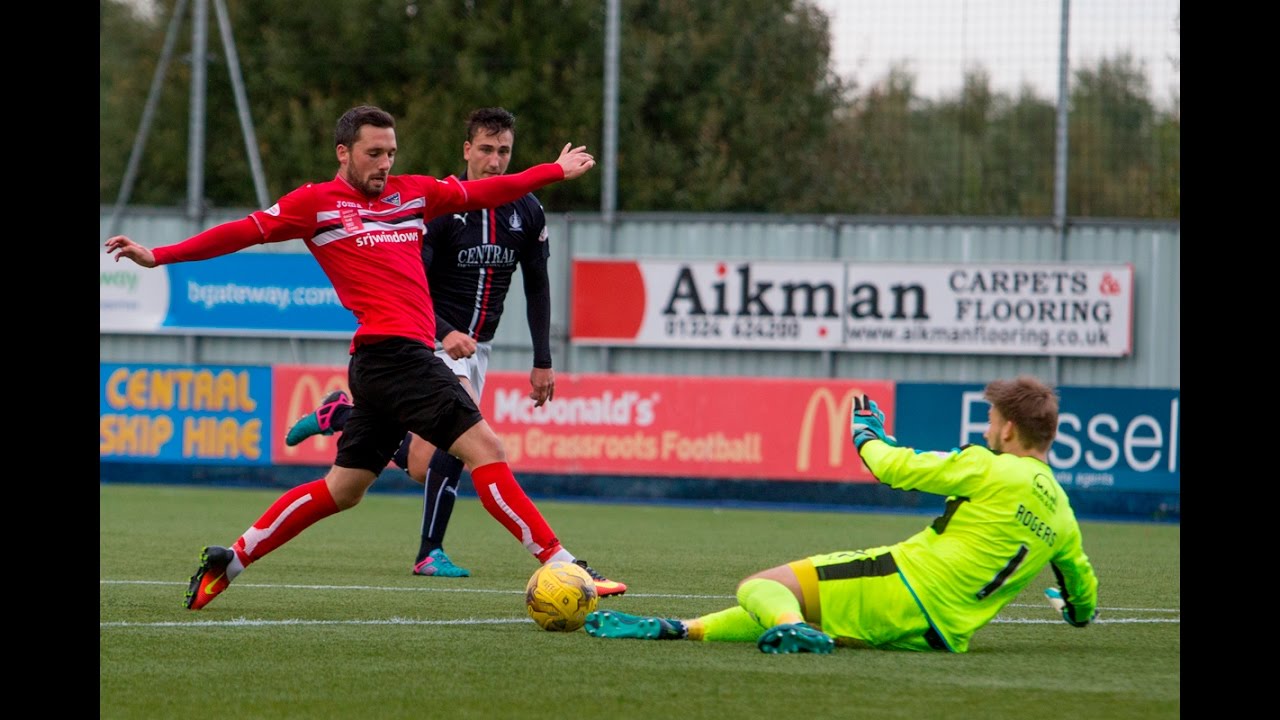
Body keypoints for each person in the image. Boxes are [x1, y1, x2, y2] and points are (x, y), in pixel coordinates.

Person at [105, 104, 627, 610]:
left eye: (390, 153)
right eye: (373, 153)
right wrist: (160, 255)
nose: (384, 164)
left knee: (343, 489)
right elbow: (244, 231)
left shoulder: (414, 193)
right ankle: (566, 565)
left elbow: (489, 190)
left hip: (382, 365)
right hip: (396, 357)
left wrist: (552, 172)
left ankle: (232, 560)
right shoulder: (315, 203)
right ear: (344, 152)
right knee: (486, 449)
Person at [582, 376, 1099, 654]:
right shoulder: (1064, 517)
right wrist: (1071, 609)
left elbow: (893, 467)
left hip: (901, 584)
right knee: (802, 606)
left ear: (1008, 430)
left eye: (991, 421)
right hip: (941, 636)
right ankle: (679, 628)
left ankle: (793, 630)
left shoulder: (990, 466)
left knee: (761, 588)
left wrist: (867, 434)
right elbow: (1083, 599)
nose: (987, 430)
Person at [284, 107, 566, 583]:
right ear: (467, 150)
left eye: (504, 151)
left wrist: (543, 359)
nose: (495, 161)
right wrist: (444, 331)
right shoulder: (439, 209)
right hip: (428, 341)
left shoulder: (526, 210)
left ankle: (341, 416)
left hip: (478, 348)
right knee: (471, 444)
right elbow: (408, 286)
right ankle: (430, 551)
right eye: (486, 150)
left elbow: (537, 284)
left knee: (422, 465)